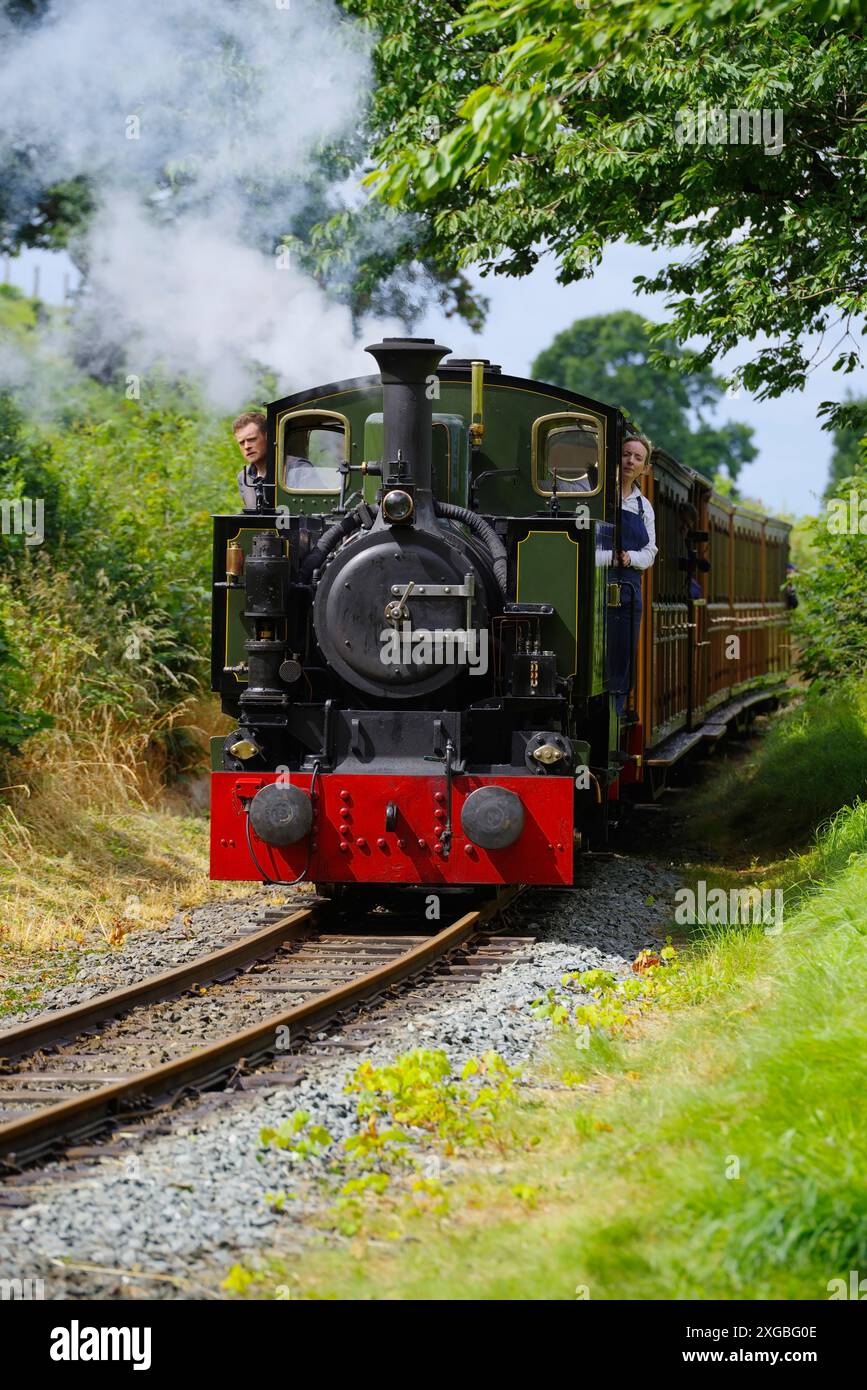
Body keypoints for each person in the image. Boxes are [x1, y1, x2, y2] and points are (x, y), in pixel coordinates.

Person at [607, 434, 657, 717]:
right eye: (627, 454)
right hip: (600, 586)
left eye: (638, 458)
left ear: (644, 468)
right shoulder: (600, 494)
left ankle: (616, 715)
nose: (630, 461)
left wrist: (629, 558)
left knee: (621, 659)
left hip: (627, 593)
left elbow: (650, 552)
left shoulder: (644, 507)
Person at [233, 411, 269, 509]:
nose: (246, 446)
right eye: (241, 443)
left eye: (252, 439)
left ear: (267, 437)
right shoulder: (243, 477)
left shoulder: (297, 469)